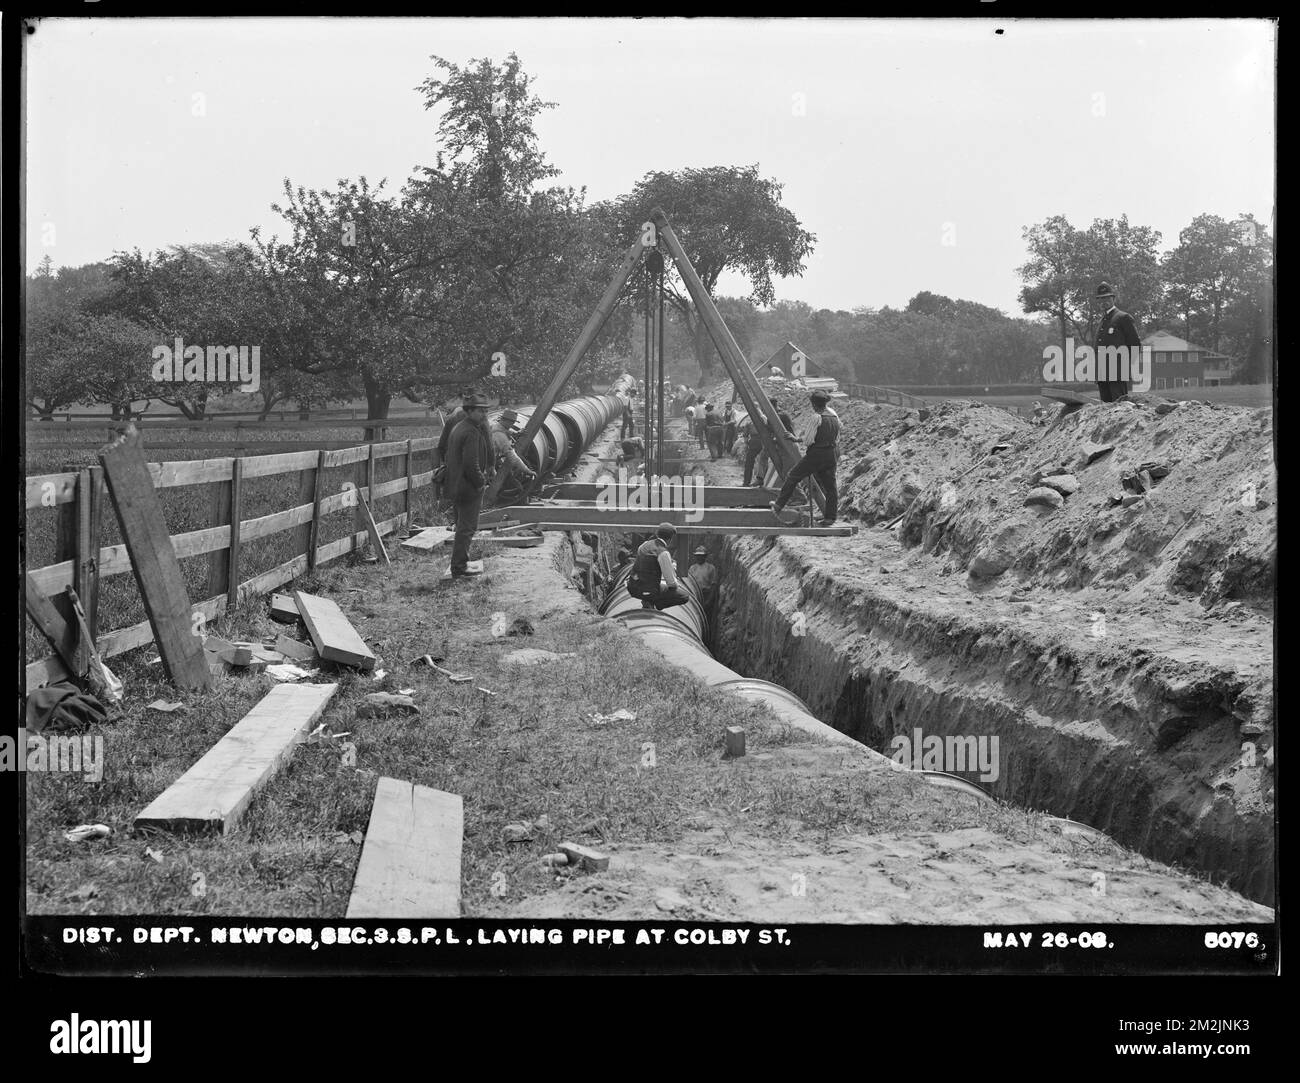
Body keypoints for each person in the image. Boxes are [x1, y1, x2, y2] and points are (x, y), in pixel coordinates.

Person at [443, 390, 495, 578]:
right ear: (470, 411)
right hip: (468, 487)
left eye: (485, 411)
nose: (484, 415)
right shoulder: (471, 432)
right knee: (467, 527)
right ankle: (459, 566)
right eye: (480, 411)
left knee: (461, 525)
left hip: (456, 484)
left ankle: (460, 563)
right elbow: (471, 463)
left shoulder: (460, 427)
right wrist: (481, 482)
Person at [771, 389, 840, 527]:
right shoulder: (834, 416)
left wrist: (796, 439)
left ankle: (778, 505)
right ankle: (830, 518)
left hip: (816, 455)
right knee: (830, 487)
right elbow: (837, 437)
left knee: (792, 476)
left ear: (814, 404)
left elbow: (809, 440)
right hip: (831, 454)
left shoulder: (816, 417)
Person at [1093, 281, 1140, 402]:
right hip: (1102, 372)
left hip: (1117, 372)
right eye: (1101, 299)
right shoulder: (1102, 321)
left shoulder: (1123, 317)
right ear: (1098, 301)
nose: (1104, 301)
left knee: (1120, 406)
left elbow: (1135, 344)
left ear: (1113, 298)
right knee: (1105, 408)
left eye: (1107, 297)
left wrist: (1125, 367)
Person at [628, 523, 690, 611]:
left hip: (633, 588)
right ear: (670, 538)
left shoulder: (644, 545)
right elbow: (672, 583)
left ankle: (646, 600)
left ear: (657, 534)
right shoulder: (663, 553)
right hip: (650, 591)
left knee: (650, 585)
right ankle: (655, 604)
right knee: (684, 596)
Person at [491, 408, 537, 490]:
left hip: (491, 460)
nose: (512, 425)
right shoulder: (499, 435)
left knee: (507, 481)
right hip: (487, 463)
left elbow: (507, 432)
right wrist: (527, 470)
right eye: (512, 422)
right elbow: (512, 456)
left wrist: (517, 433)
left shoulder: (497, 427)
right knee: (499, 485)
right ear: (506, 421)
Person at [686, 545, 718, 612]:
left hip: (706, 595)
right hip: (695, 595)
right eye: (697, 556)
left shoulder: (710, 568)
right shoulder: (692, 568)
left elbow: (714, 585)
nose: (699, 558)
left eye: (701, 556)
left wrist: (709, 600)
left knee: (706, 614)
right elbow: (688, 583)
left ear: (705, 556)